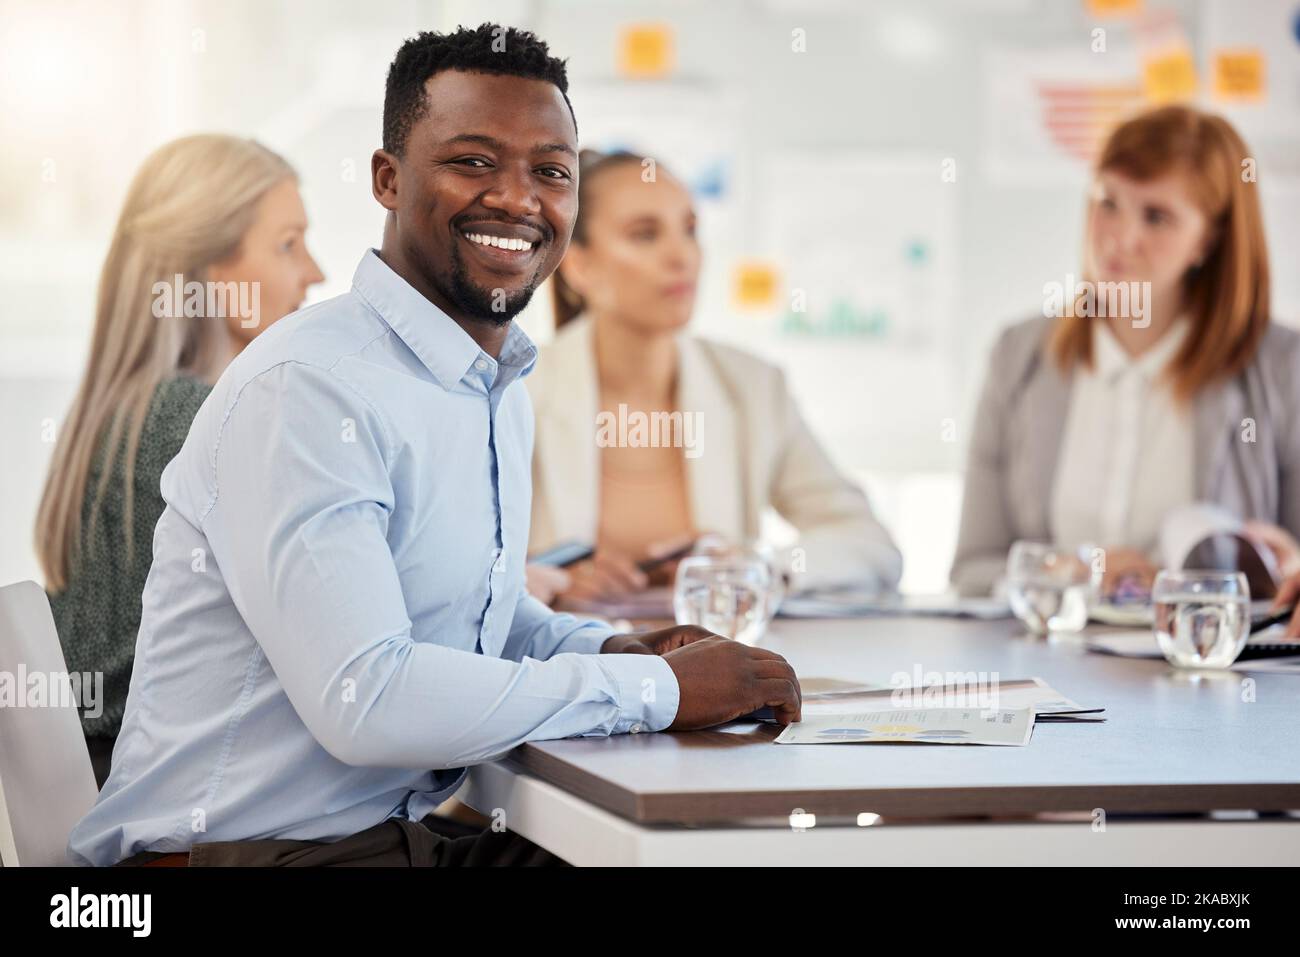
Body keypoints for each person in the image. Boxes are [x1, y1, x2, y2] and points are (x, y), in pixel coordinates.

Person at [68, 24, 801, 868]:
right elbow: (368, 697)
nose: (519, 200)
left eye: (550, 173)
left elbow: (463, 610)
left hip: (375, 838)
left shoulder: (488, 384)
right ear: (388, 178)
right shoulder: (310, 385)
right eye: (473, 161)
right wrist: (657, 691)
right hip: (238, 858)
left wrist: (609, 646)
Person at [34, 134, 324, 787]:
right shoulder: (185, 417)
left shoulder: (138, 409)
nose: (315, 270)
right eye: (288, 244)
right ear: (213, 272)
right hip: (157, 799)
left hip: (124, 780)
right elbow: (339, 578)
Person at [526, 149, 902, 607]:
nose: (681, 255)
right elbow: (452, 569)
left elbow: (870, 544)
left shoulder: (753, 388)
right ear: (578, 264)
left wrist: (755, 567)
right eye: (645, 235)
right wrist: (550, 582)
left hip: (713, 666)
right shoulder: (519, 390)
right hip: (570, 667)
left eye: (689, 230)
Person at [951, 105, 1298, 597]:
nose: (1121, 237)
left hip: (1206, 663)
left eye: (1157, 217)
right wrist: (1074, 576)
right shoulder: (1019, 354)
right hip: (1044, 666)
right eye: (1108, 202)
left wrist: (1286, 567)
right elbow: (972, 571)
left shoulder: (1283, 368)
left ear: (1209, 240)